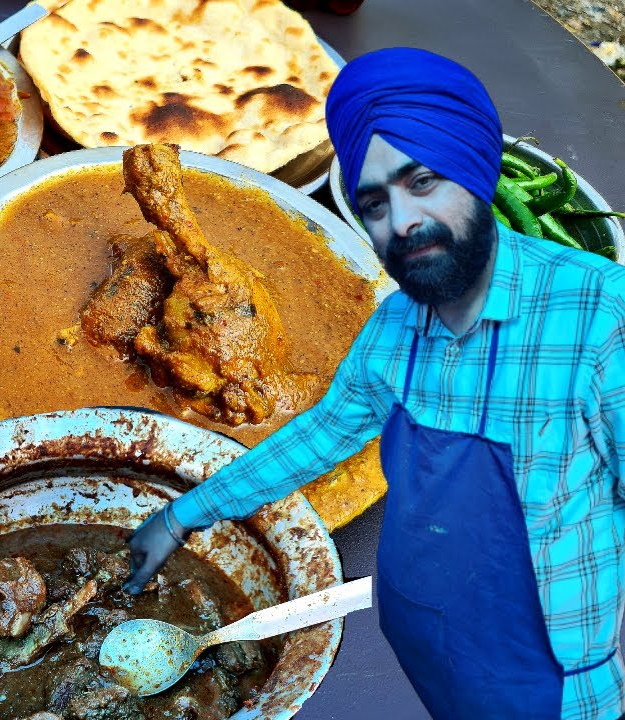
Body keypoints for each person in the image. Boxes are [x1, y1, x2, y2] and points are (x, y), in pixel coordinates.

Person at [123, 47, 625, 720]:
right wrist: (181, 515)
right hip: (427, 641)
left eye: (422, 183)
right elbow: (323, 433)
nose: (403, 222)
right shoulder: (395, 324)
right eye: (375, 203)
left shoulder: (598, 315)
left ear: (476, 174)